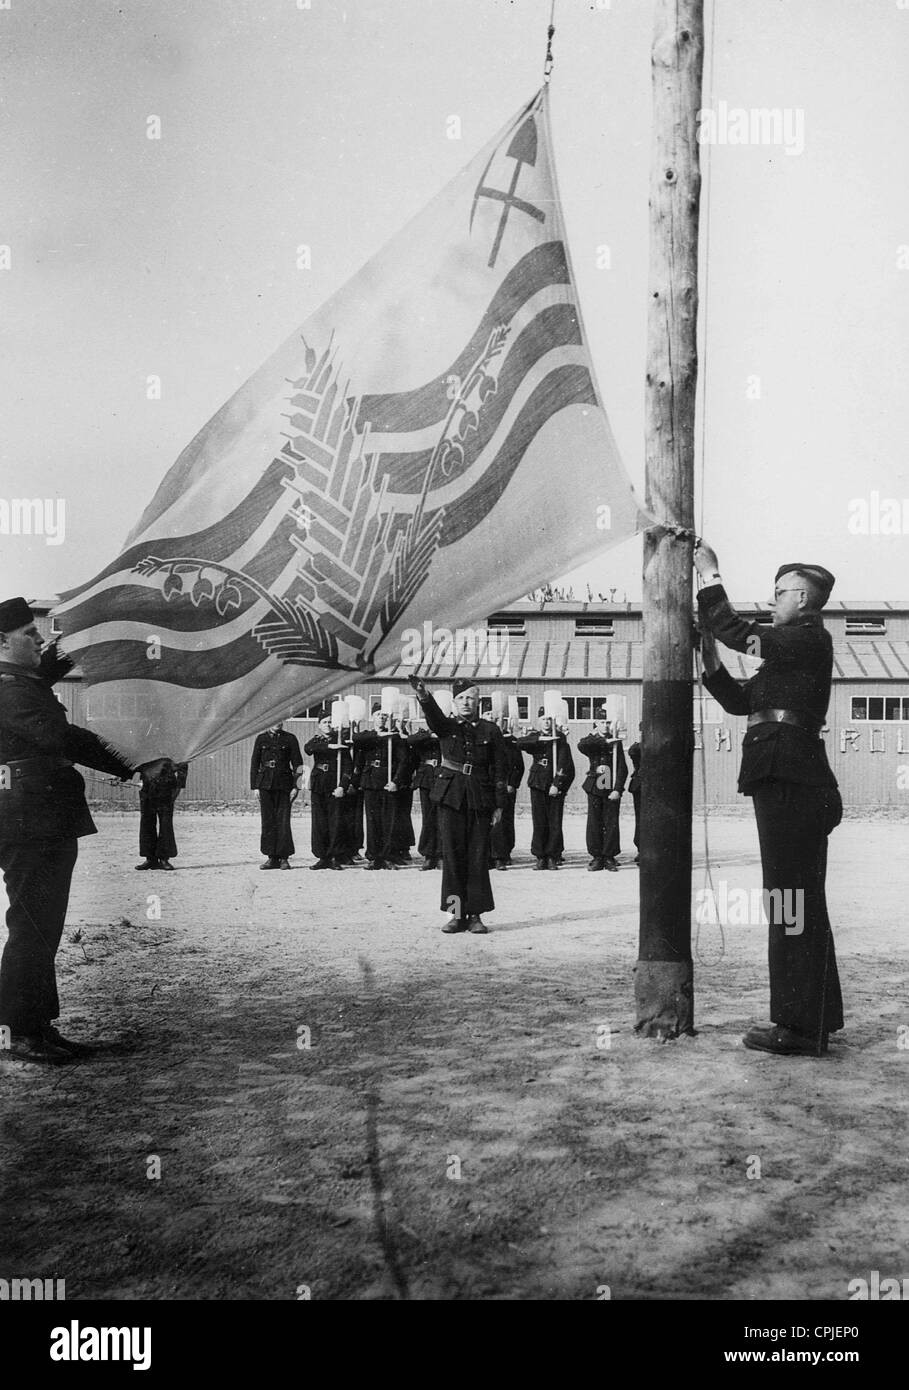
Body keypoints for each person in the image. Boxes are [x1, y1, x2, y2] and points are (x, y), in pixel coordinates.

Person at [694, 545, 844, 1057]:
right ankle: (813, 1021)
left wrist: (710, 573)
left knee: (790, 901)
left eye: (780, 592)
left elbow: (736, 630)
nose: (773, 599)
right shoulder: (793, 648)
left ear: (803, 599)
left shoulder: (803, 639)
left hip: (790, 779)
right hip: (788, 778)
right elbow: (741, 702)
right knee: (794, 899)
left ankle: (799, 1028)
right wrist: (708, 655)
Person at [0, 598, 151, 1064]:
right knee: (33, 924)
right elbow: (60, 737)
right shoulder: (10, 689)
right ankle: (18, 1032)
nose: (40, 639)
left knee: (40, 924)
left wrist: (93, 626)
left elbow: (47, 664)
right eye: (29, 633)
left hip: (36, 812)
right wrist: (135, 762)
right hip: (32, 817)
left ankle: (33, 1026)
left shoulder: (18, 681)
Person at [408, 676, 506, 933]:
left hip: (480, 798)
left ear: (478, 702)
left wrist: (498, 805)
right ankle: (456, 915)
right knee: (452, 857)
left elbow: (500, 769)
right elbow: (434, 717)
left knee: (477, 857)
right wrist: (423, 696)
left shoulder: (490, 730)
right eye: (461, 698)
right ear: (454, 702)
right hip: (450, 797)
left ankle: (475, 916)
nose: (466, 702)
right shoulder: (446, 727)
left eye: (470, 698)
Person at [515, 709, 574, 870]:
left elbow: (565, 762)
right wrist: (540, 738)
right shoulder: (535, 736)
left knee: (554, 821)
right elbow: (519, 743)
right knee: (539, 820)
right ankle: (540, 855)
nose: (547, 722)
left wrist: (557, 784)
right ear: (539, 721)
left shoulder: (560, 739)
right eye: (543, 719)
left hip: (554, 783)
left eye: (549, 719)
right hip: (538, 782)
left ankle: (552, 856)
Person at [352, 711, 408, 869]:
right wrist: (379, 735)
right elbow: (356, 739)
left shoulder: (394, 737)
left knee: (388, 821)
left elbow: (404, 761)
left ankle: (388, 856)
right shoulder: (367, 736)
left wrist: (396, 781)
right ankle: (374, 857)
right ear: (372, 718)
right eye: (378, 715)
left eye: (384, 716)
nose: (382, 718)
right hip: (370, 781)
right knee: (372, 821)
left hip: (388, 781)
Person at [249, 721, 303, 869]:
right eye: (275, 719)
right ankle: (271, 857)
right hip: (265, 784)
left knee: (283, 821)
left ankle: (284, 857)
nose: (278, 722)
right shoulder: (261, 739)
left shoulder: (290, 738)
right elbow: (255, 763)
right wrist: (255, 787)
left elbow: (298, 764)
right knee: (268, 821)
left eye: (281, 719)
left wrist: (296, 787)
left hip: (284, 785)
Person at [578, 710, 627, 871]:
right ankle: (597, 856)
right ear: (596, 724)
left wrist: (618, 789)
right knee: (594, 822)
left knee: (611, 822)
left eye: (607, 722)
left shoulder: (616, 742)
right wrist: (603, 740)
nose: (605, 725)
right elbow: (582, 745)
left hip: (610, 785)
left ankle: (609, 856)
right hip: (595, 784)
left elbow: (622, 767)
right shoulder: (592, 741)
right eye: (602, 722)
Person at [303, 711, 349, 870]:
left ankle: (336, 856)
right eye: (324, 722)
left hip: (334, 784)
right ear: (319, 725)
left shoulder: (341, 740)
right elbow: (308, 748)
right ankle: (323, 857)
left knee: (335, 821)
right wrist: (329, 746)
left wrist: (342, 786)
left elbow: (348, 766)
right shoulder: (317, 741)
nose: (327, 725)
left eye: (330, 722)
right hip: (318, 783)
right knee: (319, 822)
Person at [135, 759, 188, 871]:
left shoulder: (175, 744)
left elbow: (183, 762)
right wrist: (120, 777)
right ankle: (150, 859)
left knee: (165, 824)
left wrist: (179, 787)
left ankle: (164, 858)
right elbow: (134, 761)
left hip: (166, 787)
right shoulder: (144, 744)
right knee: (146, 823)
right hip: (147, 786)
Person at [490, 712, 525, 869]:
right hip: (487, 787)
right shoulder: (485, 740)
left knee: (505, 821)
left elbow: (518, 766)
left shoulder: (511, 742)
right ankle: (490, 854)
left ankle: (503, 854)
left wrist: (512, 783)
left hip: (506, 787)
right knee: (489, 822)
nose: (497, 723)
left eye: (500, 721)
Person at [407, 723, 441, 869]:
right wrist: (430, 735)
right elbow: (411, 740)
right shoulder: (423, 736)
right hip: (426, 778)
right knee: (428, 818)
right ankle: (429, 854)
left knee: (443, 818)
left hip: (443, 777)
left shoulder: (448, 733)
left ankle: (442, 854)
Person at [626, 724, 642, 863]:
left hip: (658, 788)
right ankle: (641, 849)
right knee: (641, 819)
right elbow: (633, 751)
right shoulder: (636, 748)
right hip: (640, 787)